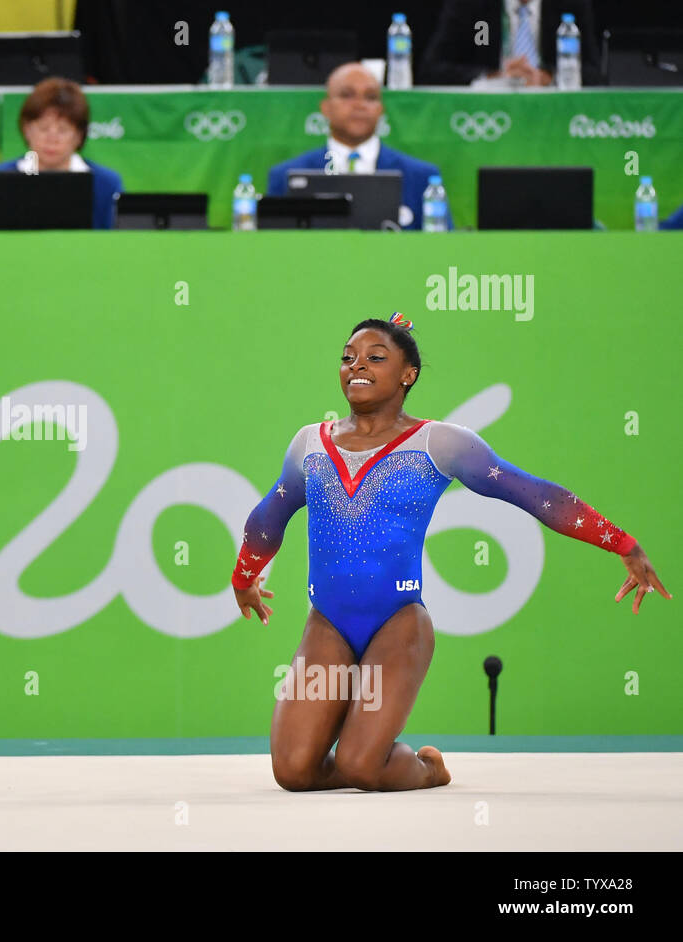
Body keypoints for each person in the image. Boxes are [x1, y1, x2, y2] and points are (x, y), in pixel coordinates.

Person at [230, 313, 670, 792]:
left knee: (358, 766)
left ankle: (425, 769)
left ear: (407, 374)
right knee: (293, 772)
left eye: (376, 358)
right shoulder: (309, 443)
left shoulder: (439, 443)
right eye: (348, 357)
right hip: (328, 623)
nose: (357, 366)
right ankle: (366, 754)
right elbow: (269, 516)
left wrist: (621, 542)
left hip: (397, 622)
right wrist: (243, 577)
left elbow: (535, 495)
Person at [267, 63, 451, 231]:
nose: (359, 105)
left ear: (381, 109)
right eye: (347, 95)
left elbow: (442, 249)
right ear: (326, 108)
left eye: (370, 97)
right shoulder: (285, 176)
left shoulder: (422, 177)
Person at [0, 77, 124, 230]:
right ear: (26, 130)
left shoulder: (106, 183)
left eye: (63, 130)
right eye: (43, 128)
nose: (52, 139)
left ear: (79, 135)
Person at [419, 0, 601, 87]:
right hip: (487, 110)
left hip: (554, 114)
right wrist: (492, 78)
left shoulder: (571, 6)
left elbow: (596, 74)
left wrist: (550, 77)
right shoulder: (470, 6)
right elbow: (431, 70)